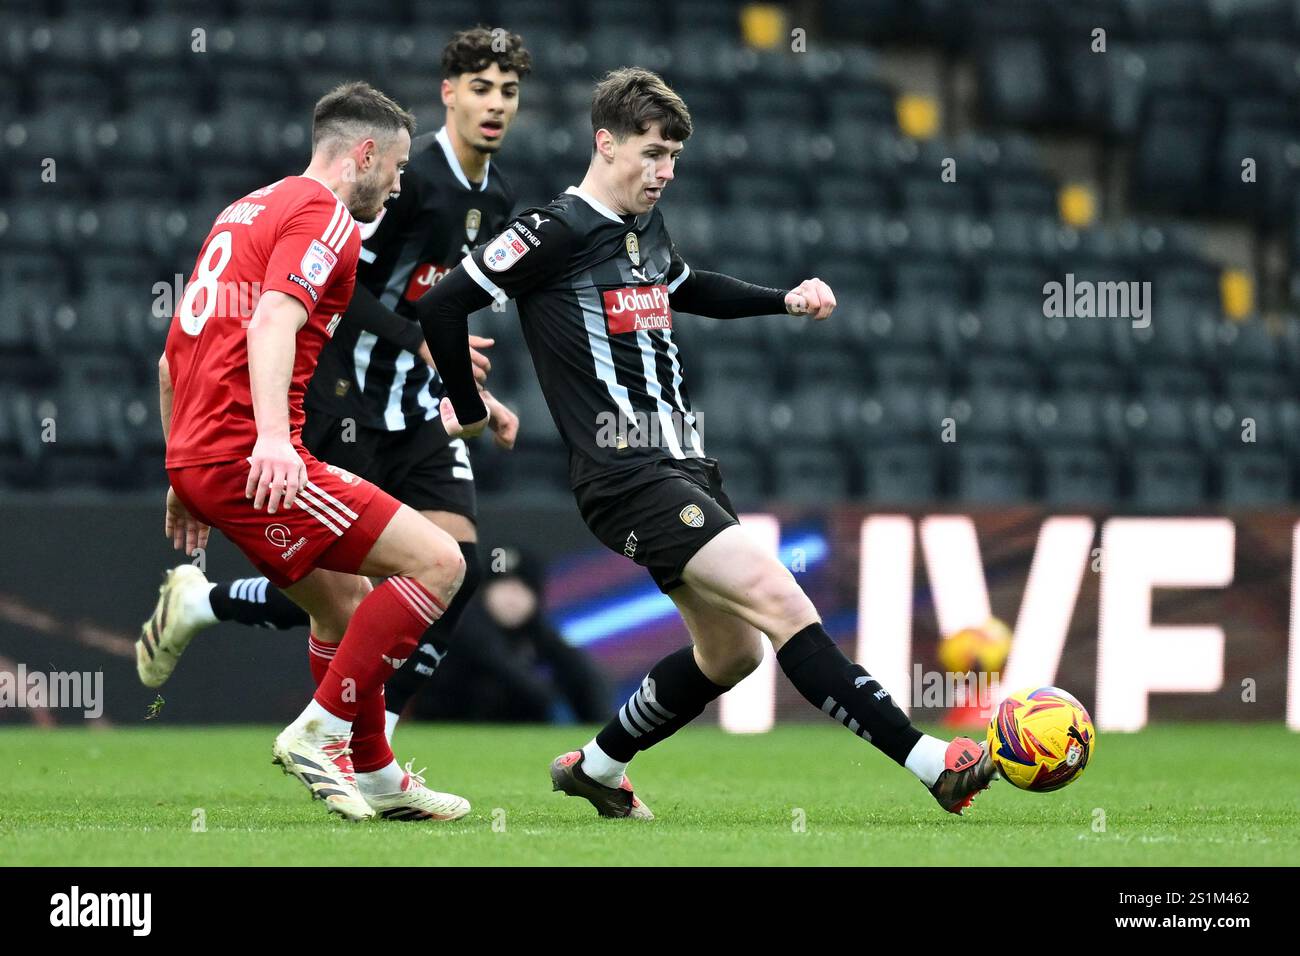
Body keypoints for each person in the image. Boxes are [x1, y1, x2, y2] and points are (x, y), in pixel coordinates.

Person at [412, 68, 996, 819]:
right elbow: (441, 304)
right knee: (780, 598)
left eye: (675, 157)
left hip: (684, 464)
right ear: (606, 142)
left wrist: (781, 300)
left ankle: (596, 766)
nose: (666, 172)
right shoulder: (552, 230)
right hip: (624, 473)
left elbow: (685, 286)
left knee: (734, 653)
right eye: (653, 153)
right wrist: (465, 404)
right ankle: (929, 762)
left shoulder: (642, 229)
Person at [139, 28, 531, 750]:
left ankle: (365, 733)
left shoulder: (493, 194)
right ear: (448, 94)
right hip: (338, 402)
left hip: (413, 409)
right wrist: (275, 432)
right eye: (481, 87)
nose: (496, 105)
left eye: (509, 91)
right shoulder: (369, 201)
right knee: (353, 591)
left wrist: (466, 394)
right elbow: (322, 296)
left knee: (454, 568)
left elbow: (436, 305)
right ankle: (244, 641)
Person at [158, 81, 471, 822]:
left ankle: (379, 778)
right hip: (245, 449)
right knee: (442, 562)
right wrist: (271, 438)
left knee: (344, 608)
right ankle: (319, 732)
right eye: (394, 168)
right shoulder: (326, 214)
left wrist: (180, 468)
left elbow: (175, 353)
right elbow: (272, 320)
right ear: (362, 153)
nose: (397, 188)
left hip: (201, 456)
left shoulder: (243, 211)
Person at [410, 547, 609, 723]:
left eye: (521, 589)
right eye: (502, 587)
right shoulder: (467, 622)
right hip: (449, 720)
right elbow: (507, 669)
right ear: (486, 591)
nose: (511, 598)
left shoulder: (535, 627)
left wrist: (600, 724)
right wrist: (550, 699)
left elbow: (581, 671)